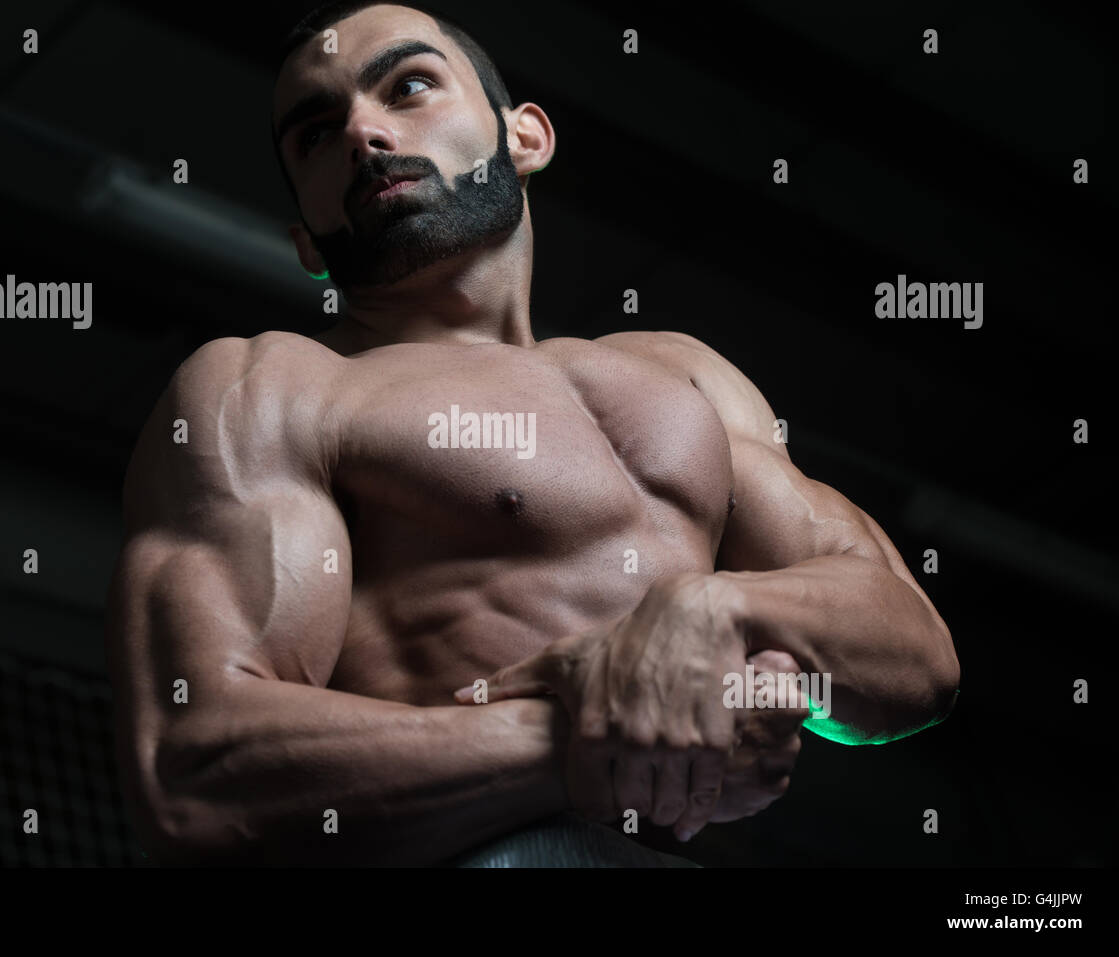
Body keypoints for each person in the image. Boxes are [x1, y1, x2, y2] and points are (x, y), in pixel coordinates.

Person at [103, 1, 960, 866]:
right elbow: (196, 767)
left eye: (408, 86)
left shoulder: (682, 374)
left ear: (526, 137)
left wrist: (718, 608)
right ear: (308, 243)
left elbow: (916, 657)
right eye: (317, 136)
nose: (364, 133)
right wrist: (598, 740)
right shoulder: (269, 385)